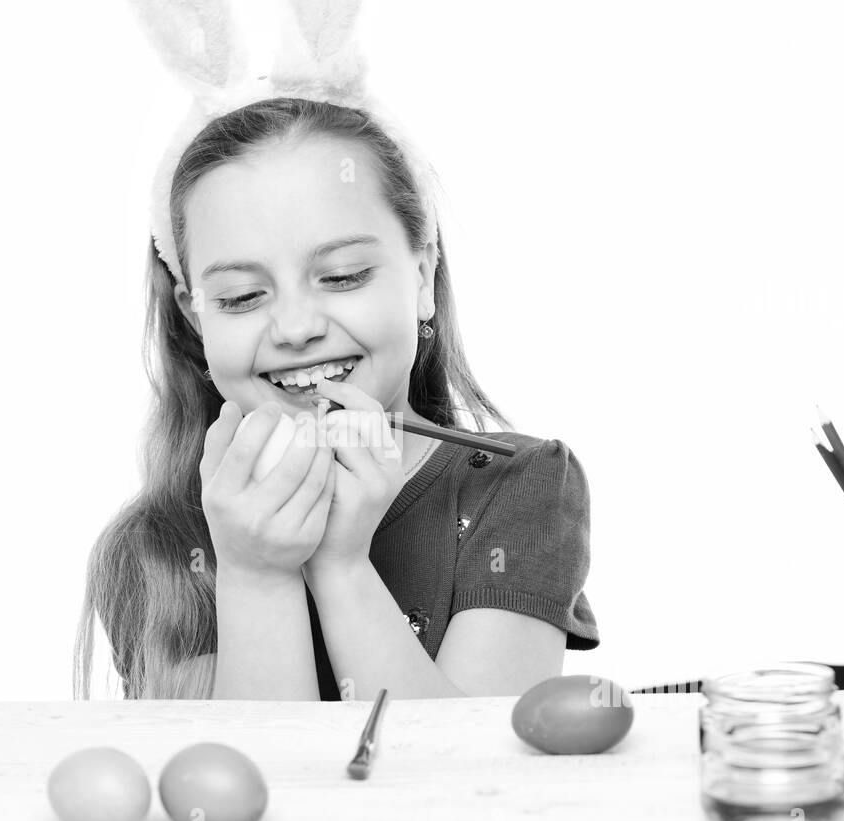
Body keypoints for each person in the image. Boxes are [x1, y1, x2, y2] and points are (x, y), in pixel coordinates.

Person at [73, 95, 598, 702]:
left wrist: (341, 565)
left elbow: (463, 778)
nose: (295, 328)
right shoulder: (155, 548)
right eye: (242, 296)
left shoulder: (518, 487)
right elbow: (245, 787)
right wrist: (256, 574)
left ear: (423, 278)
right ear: (196, 319)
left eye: (344, 276)